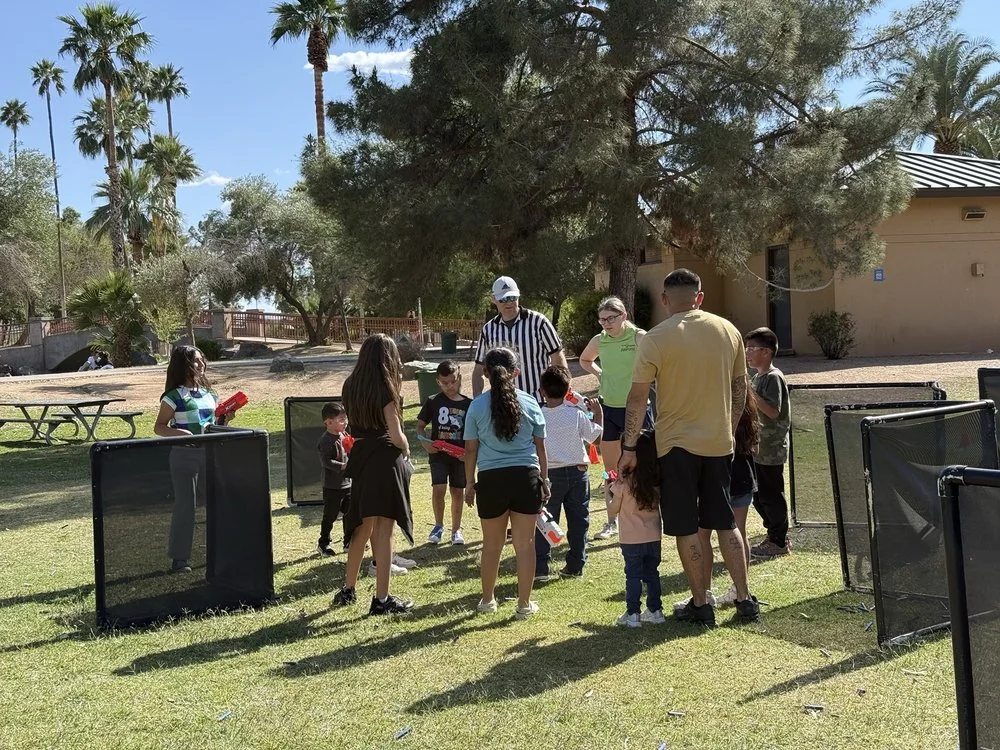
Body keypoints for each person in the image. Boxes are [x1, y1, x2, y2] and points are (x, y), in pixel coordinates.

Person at [619, 269, 760, 627]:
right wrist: (726, 428)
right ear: (699, 297)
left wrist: (629, 446)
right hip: (718, 442)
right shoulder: (728, 331)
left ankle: (702, 603)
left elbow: (637, 400)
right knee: (726, 523)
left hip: (677, 445)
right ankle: (744, 599)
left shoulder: (655, 338)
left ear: (665, 300)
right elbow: (740, 389)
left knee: (686, 527)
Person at [331, 334, 415, 615]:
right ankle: (382, 600)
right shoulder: (386, 388)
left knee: (362, 527)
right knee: (384, 530)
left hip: (362, 457)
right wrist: (406, 447)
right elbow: (395, 432)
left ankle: (348, 589)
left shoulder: (350, 384)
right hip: (384, 460)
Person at [464, 347, 550, 619]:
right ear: (517, 372)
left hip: (491, 480)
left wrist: (469, 483)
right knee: (525, 545)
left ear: (486, 373)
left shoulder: (476, 406)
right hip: (526, 476)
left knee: (492, 545)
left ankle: (487, 600)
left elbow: (470, 450)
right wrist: (544, 479)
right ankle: (524, 605)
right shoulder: (531, 403)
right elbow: (541, 448)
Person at [674, 394, 760, 613]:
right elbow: (755, 445)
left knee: (703, 534)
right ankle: (741, 591)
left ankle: (705, 593)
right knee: (738, 531)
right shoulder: (747, 407)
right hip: (743, 474)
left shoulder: (714, 405)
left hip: (720, 475)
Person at [153, 345, 234, 573]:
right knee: (185, 506)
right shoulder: (173, 396)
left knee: (218, 504)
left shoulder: (211, 394)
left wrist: (225, 420)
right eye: (196, 361)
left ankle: (220, 551)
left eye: (202, 360)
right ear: (184, 365)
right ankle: (179, 559)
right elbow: (159, 427)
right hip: (184, 455)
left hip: (211, 454)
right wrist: (180, 433)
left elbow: (213, 427)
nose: (201, 365)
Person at [579, 295, 653, 540]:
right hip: (609, 408)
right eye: (602, 320)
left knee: (643, 465)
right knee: (610, 468)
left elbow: (660, 363)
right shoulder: (600, 340)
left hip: (637, 408)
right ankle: (612, 521)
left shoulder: (639, 337)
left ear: (624, 316)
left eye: (611, 318)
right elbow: (584, 360)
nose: (606, 324)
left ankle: (648, 514)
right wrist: (601, 375)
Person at [534, 365, 603, 580]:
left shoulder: (538, 415)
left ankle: (541, 567)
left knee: (544, 519)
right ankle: (575, 564)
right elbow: (596, 438)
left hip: (549, 474)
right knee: (579, 520)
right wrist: (598, 415)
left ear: (542, 391)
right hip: (577, 472)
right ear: (568, 391)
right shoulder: (576, 414)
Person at [472, 276, 568, 404]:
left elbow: (557, 357)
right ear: (494, 299)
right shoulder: (488, 329)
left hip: (538, 401)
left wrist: (561, 394)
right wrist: (477, 401)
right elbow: (479, 369)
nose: (509, 302)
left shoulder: (538, 322)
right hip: (502, 404)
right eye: (504, 299)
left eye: (513, 297)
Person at [607, 430, 665, 628]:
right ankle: (656, 610)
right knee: (652, 573)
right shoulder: (656, 482)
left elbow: (613, 509)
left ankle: (633, 613)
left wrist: (609, 491)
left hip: (631, 539)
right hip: (653, 536)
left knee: (633, 575)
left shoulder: (623, 483)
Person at [745, 327, 792, 559]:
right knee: (757, 495)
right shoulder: (756, 377)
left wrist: (749, 393)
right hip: (756, 448)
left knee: (771, 495)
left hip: (771, 449)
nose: (747, 353)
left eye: (752, 349)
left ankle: (778, 541)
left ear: (766, 352)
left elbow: (773, 411)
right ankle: (774, 534)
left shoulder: (773, 377)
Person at [416, 360, 472, 545]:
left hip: (460, 455)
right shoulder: (433, 401)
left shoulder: (469, 404)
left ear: (459, 378)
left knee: (457, 491)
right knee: (438, 489)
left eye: (453, 381)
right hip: (438, 454)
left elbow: (474, 434)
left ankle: (456, 529)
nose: (450, 386)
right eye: (445, 383)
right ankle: (438, 525)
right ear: (438, 381)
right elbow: (420, 428)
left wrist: (469, 454)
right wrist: (425, 444)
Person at [316, 401, 351, 557]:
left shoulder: (344, 435)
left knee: (350, 513)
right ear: (328, 422)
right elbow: (326, 461)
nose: (345, 422)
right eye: (341, 420)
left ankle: (349, 541)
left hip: (347, 483)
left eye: (346, 418)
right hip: (332, 486)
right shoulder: (325, 440)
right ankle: (323, 544)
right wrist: (343, 466)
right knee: (330, 516)